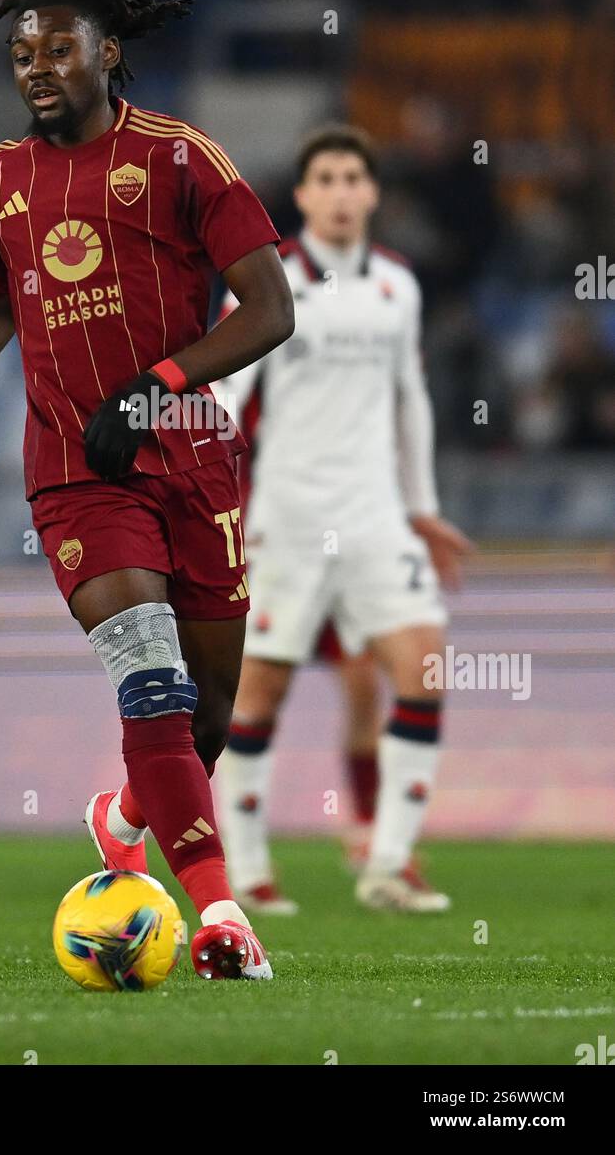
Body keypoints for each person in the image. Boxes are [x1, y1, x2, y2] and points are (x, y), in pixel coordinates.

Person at [0, 0, 294, 979]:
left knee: (203, 719)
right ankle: (217, 918)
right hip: (77, 471)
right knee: (147, 676)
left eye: (57, 47)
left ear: (106, 51)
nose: (37, 67)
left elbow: (270, 308)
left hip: (193, 454)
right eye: (21, 54)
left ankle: (125, 810)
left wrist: (159, 387)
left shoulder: (179, 158)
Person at [214, 124, 472, 913]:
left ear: (372, 193)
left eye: (352, 177)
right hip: (286, 521)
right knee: (257, 696)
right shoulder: (265, 285)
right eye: (323, 178)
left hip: (375, 520)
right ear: (301, 198)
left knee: (422, 671)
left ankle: (389, 864)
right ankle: (249, 873)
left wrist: (422, 511)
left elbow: (411, 402)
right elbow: (224, 396)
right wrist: (212, 503)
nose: (339, 192)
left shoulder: (399, 286)